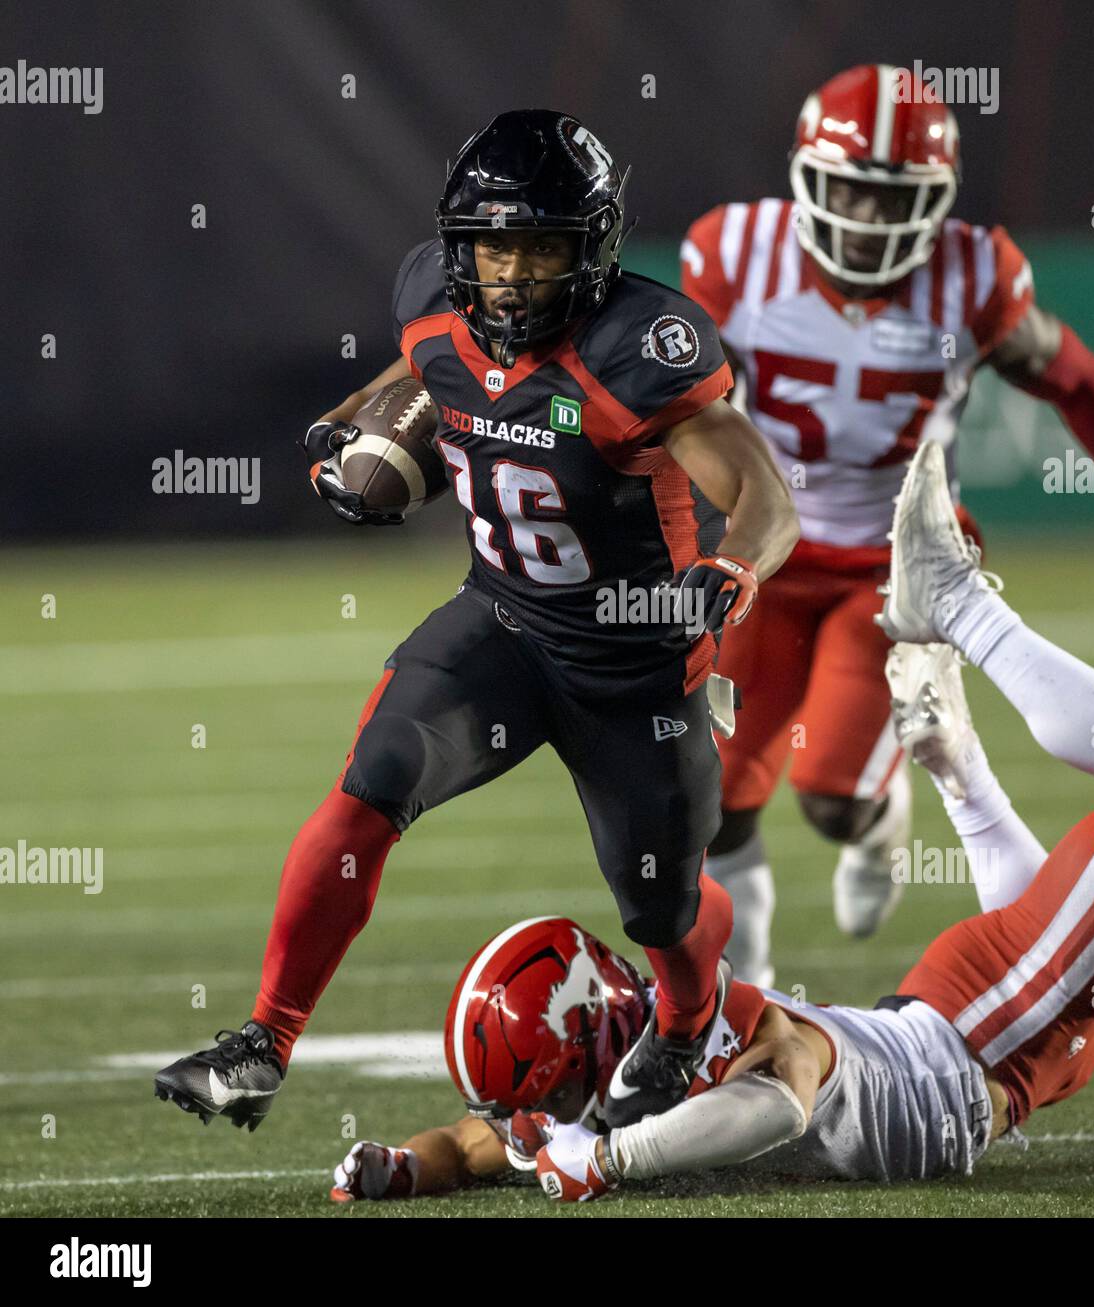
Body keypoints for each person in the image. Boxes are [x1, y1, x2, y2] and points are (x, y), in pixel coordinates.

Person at [328, 439, 1094, 1203]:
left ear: (593, 1027)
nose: (552, 1112)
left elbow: (785, 1092)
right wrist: (403, 1167)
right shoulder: (571, 1091)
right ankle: (957, 765)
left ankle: (959, 607)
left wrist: (612, 1156)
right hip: (949, 1023)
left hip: (969, 1046)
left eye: (555, 1088)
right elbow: (475, 1142)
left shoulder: (686, 1028)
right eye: (547, 1097)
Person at [153, 109, 798, 1134]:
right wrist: (347, 422)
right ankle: (265, 1041)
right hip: (501, 624)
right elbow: (424, 364)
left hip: (635, 663)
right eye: (494, 245)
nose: (512, 272)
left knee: (659, 906)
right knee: (368, 792)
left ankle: (684, 1021)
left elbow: (764, 490)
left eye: (541, 245)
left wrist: (733, 563)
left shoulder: (640, 346)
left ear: (589, 250)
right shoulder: (427, 291)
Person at [680, 63, 1094, 984]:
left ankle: (876, 820)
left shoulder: (972, 273)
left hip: (896, 567)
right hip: (764, 547)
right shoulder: (733, 253)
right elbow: (670, 402)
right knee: (711, 797)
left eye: (895, 201)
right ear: (806, 177)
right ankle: (737, 995)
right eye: (852, 193)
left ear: (936, 202)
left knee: (832, 797)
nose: (872, 222)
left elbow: (1074, 377)